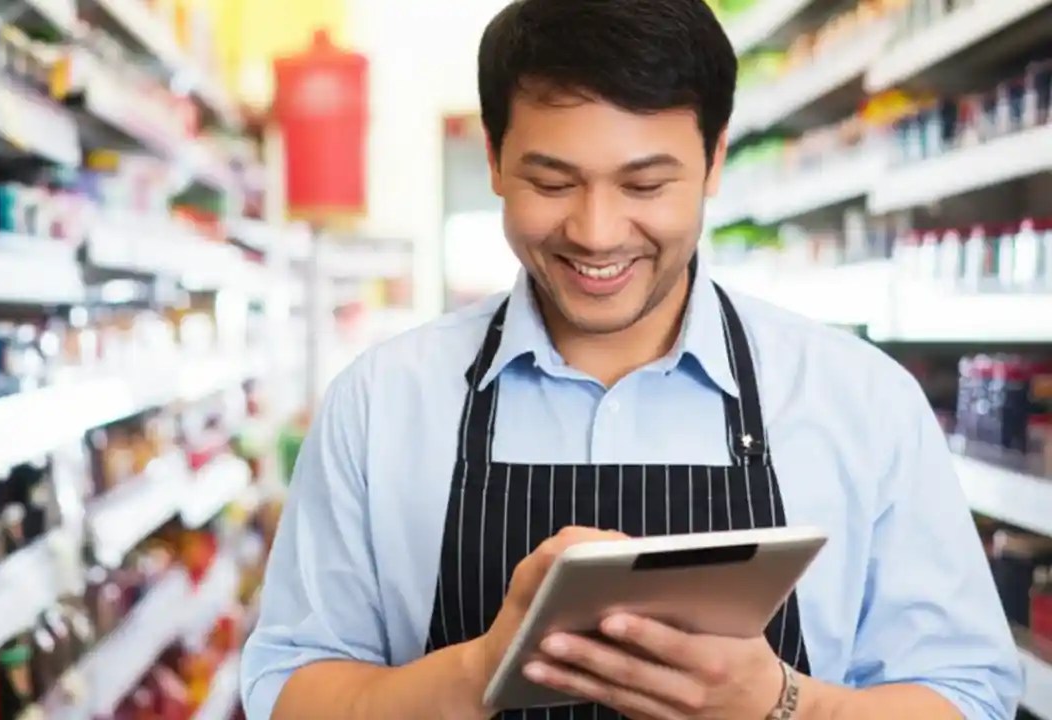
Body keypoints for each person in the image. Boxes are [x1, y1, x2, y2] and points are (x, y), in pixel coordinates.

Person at [241, 0, 1023, 717]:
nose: (597, 231)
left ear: (715, 161)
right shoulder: (379, 404)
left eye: (646, 184)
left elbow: (969, 696)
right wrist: (480, 669)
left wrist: (783, 704)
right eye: (552, 181)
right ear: (494, 158)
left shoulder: (861, 401)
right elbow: (292, 688)